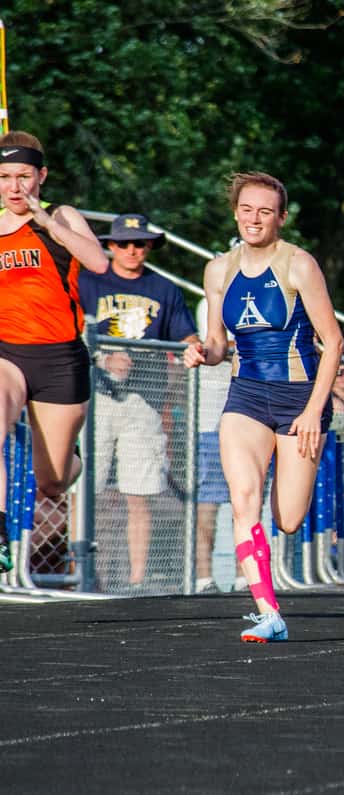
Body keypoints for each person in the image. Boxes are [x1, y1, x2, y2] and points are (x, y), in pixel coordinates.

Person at [184, 171, 343, 642]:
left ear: (281, 218)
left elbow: (334, 343)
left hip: (299, 399)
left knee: (288, 520)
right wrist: (202, 351)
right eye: (247, 209)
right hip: (247, 396)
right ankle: (268, 613)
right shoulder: (218, 270)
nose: (254, 219)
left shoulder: (299, 265)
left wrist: (313, 411)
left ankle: (271, 593)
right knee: (244, 500)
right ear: (235, 212)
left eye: (265, 212)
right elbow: (219, 343)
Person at [0, 131, 109, 573]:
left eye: (23, 176)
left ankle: (70, 457)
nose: (14, 187)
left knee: (52, 481)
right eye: (5, 177)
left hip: (60, 360)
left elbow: (99, 262)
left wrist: (46, 222)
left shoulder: (61, 216)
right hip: (7, 353)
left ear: (41, 176)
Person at [78, 213, 199, 591]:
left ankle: (136, 580)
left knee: (139, 492)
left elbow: (186, 335)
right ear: (110, 246)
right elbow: (70, 331)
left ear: (149, 246)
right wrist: (103, 357)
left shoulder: (164, 288)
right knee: (85, 489)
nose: (132, 250)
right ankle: (81, 573)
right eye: (124, 243)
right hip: (96, 397)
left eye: (140, 243)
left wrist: (197, 346)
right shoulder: (88, 282)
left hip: (144, 402)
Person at [193, 297, 233, 594]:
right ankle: (204, 575)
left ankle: (245, 575)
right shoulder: (211, 300)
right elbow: (215, 344)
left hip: (248, 413)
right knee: (208, 500)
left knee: (248, 498)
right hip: (210, 418)